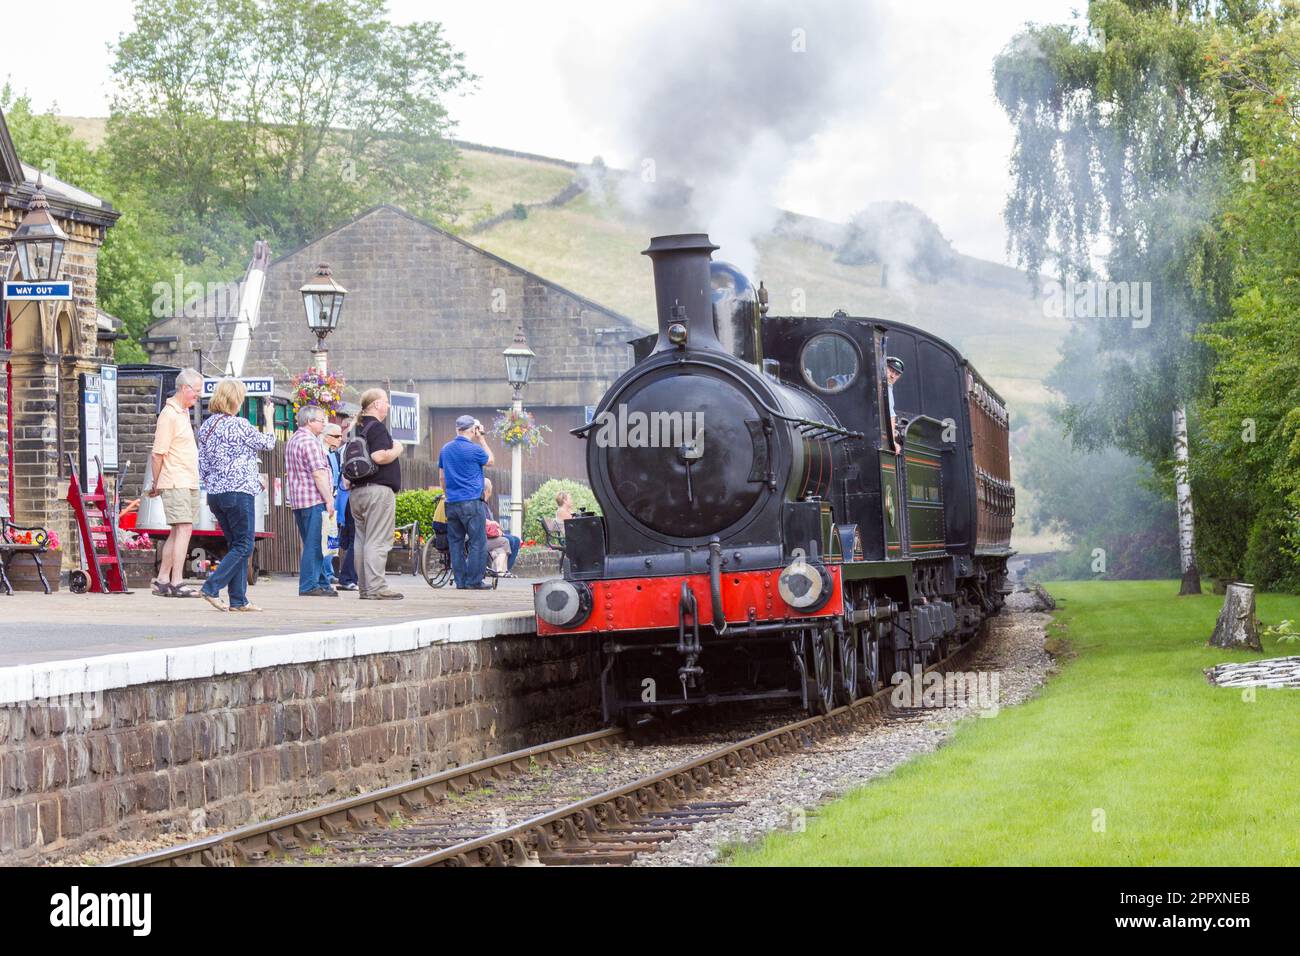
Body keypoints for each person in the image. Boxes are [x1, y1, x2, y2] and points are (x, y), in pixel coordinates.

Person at [197, 377, 276, 611]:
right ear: (235, 400)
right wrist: (269, 418)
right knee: (244, 545)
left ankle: (239, 600)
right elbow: (268, 443)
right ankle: (211, 587)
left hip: (216, 495)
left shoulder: (207, 427)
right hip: (238, 493)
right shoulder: (239, 424)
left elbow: (203, 466)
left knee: (236, 545)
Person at [147, 367, 203, 597]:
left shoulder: (182, 413)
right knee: (184, 528)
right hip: (175, 479)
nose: (198, 397)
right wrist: (157, 482)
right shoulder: (168, 415)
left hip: (187, 479)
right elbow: (157, 454)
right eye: (196, 392)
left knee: (177, 530)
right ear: (184, 388)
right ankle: (177, 580)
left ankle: (162, 579)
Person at [349, 388, 405, 600]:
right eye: (386, 402)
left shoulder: (355, 428)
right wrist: (397, 449)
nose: (388, 406)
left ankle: (365, 588)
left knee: (361, 541)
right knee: (378, 540)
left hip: (357, 491)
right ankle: (377, 588)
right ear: (375, 405)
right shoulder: (377, 428)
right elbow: (379, 457)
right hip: (378, 491)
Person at [438, 415, 495, 589]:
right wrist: (482, 439)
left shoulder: (445, 449)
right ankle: (474, 581)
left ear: (457, 429)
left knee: (456, 543)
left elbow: (442, 476)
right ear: (473, 430)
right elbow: (491, 460)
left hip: (452, 502)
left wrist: (447, 494)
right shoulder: (475, 449)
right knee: (478, 542)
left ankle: (461, 582)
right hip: (471, 502)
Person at [285, 405, 336, 597]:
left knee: (313, 542)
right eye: (321, 420)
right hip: (314, 499)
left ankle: (322, 583)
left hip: (299, 500)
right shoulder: (311, 442)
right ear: (309, 421)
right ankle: (308, 585)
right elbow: (319, 474)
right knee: (315, 544)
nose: (323, 424)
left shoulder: (293, 440)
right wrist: (329, 500)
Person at [324, 422, 358, 591]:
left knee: (335, 539)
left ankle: (332, 573)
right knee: (345, 539)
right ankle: (340, 576)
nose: (339, 439)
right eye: (336, 436)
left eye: (340, 436)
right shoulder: (345, 451)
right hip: (343, 500)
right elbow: (344, 480)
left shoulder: (338, 452)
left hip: (340, 500)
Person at [482, 477, 520, 576]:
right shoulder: (481, 504)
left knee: (515, 540)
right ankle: (503, 570)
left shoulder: (485, 504)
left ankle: (505, 569)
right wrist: (495, 526)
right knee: (510, 540)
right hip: (487, 537)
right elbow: (485, 523)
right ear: (488, 490)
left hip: (491, 535)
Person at [885, 356, 905, 452]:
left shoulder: (888, 386)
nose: (893, 376)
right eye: (891, 370)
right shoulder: (886, 386)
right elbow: (890, 414)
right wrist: (892, 441)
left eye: (896, 374)